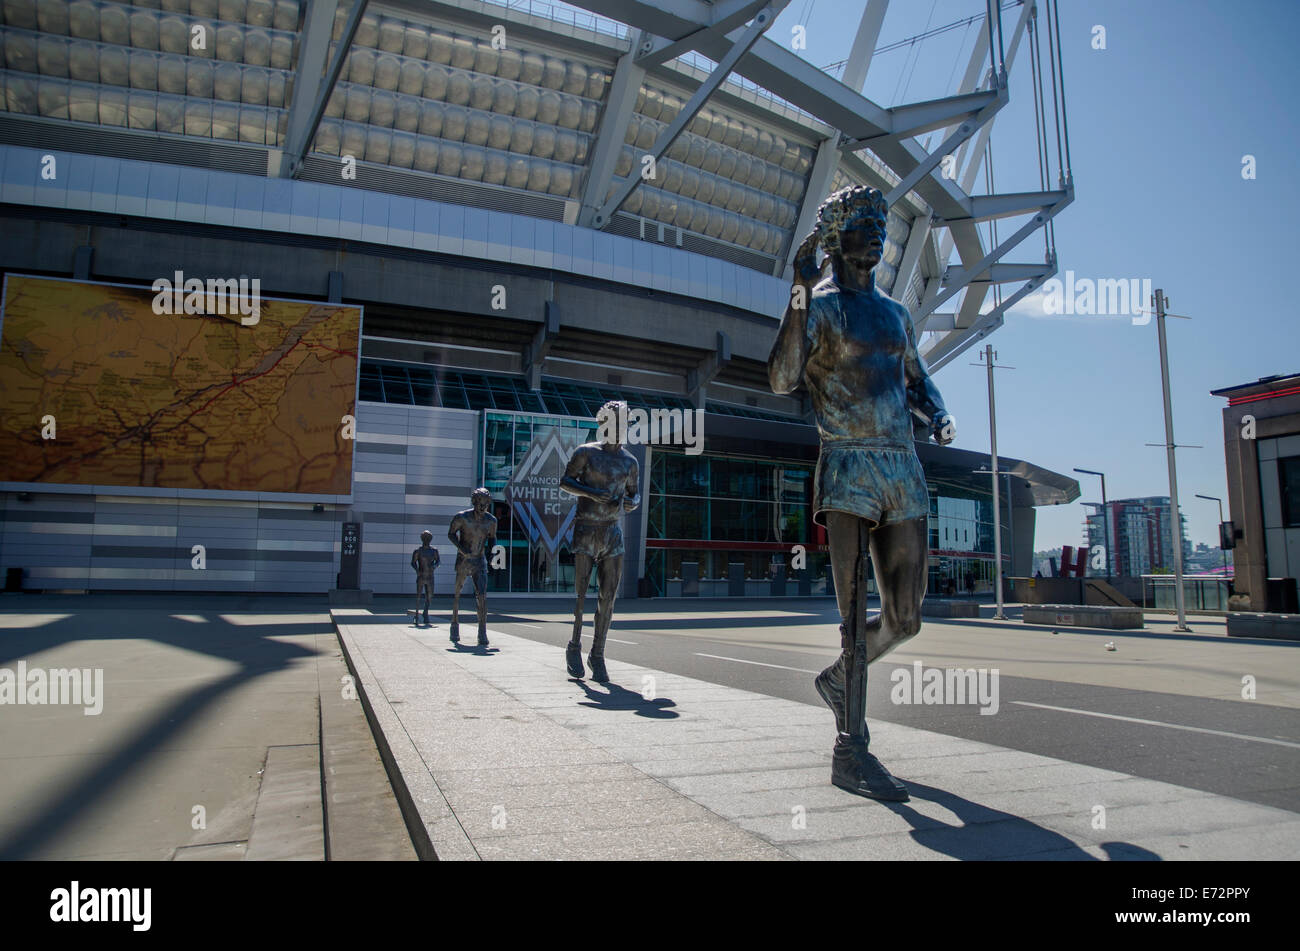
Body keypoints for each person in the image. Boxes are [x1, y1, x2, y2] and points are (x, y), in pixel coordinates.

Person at [769, 184, 955, 802]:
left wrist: (940, 411)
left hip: (901, 468)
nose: (876, 230)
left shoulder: (897, 315)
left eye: (881, 222)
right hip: (847, 464)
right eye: (863, 221)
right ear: (835, 236)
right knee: (852, 619)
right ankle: (851, 752)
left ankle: (838, 682)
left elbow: (918, 381)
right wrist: (798, 289)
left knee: (906, 618)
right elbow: (781, 377)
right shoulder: (819, 306)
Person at [560, 400, 641, 682]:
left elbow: (634, 493)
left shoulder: (631, 462)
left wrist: (632, 502)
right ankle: (574, 645)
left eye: (625, 424)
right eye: (615, 423)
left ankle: (598, 654)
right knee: (581, 596)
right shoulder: (586, 453)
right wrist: (592, 494)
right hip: (586, 528)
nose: (620, 429)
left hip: (612, 531)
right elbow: (565, 482)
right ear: (604, 424)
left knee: (608, 597)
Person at [447, 488, 497, 646]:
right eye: (480, 503)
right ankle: (454, 624)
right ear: (474, 502)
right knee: (457, 592)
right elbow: (451, 534)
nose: (483, 507)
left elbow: (492, 540)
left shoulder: (491, 521)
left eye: (486, 504)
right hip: (463, 560)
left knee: (482, 595)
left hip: (479, 560)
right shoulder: (461, 517)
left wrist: (492, 558)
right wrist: (462, 549)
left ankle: (482, 631)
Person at [410, 530, 440, 625]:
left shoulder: (434, 551)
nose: (426, 540)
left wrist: (434, 566)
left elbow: (438, 561)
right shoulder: (418, 551)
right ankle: (417, 615)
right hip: (421, 576)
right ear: (422, 539)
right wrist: (417, 570)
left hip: (430, 576)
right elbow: (413, 562)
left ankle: (425, 612)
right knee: (418, 596)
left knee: (429, 596)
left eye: (428, 539)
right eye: (425, 539)